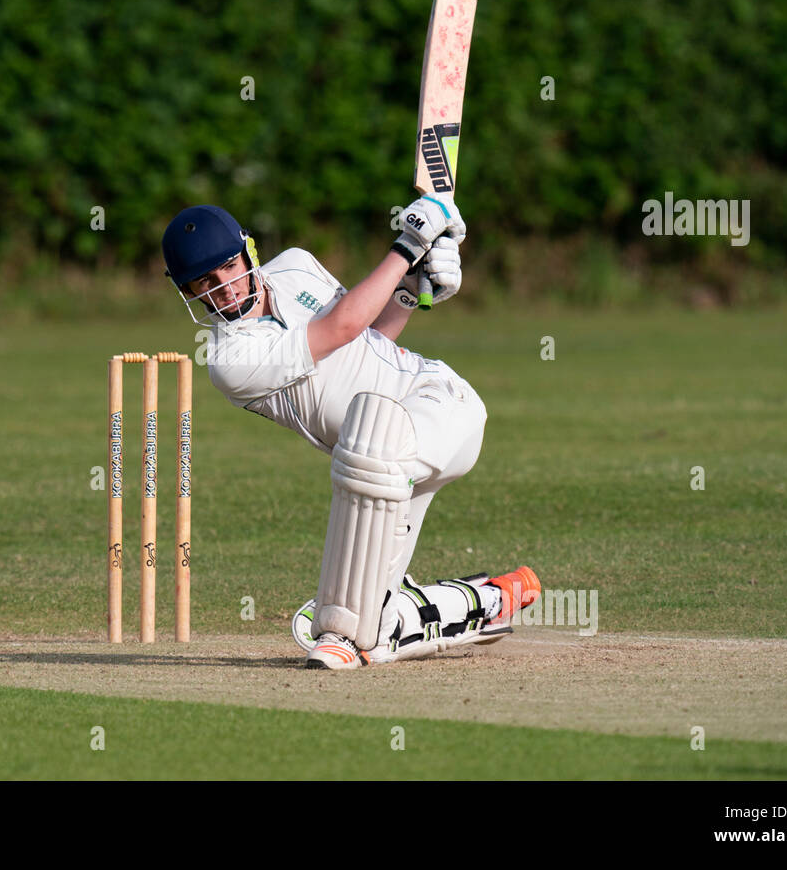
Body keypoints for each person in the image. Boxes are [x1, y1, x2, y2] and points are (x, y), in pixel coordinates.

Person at [161, 200, 539, 669]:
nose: (224, 288)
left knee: (369, 442)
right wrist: (408, 252)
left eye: (228, 268)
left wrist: (410, 287)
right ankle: (483, 601)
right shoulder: (229, 361)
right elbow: (342, 326)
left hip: (440, 402)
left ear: (248, 251)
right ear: (188, 293)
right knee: (374, 634)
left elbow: (369, 336)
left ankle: (337, 625)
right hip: (383, 471)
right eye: (205, 283)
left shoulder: (297, 265)